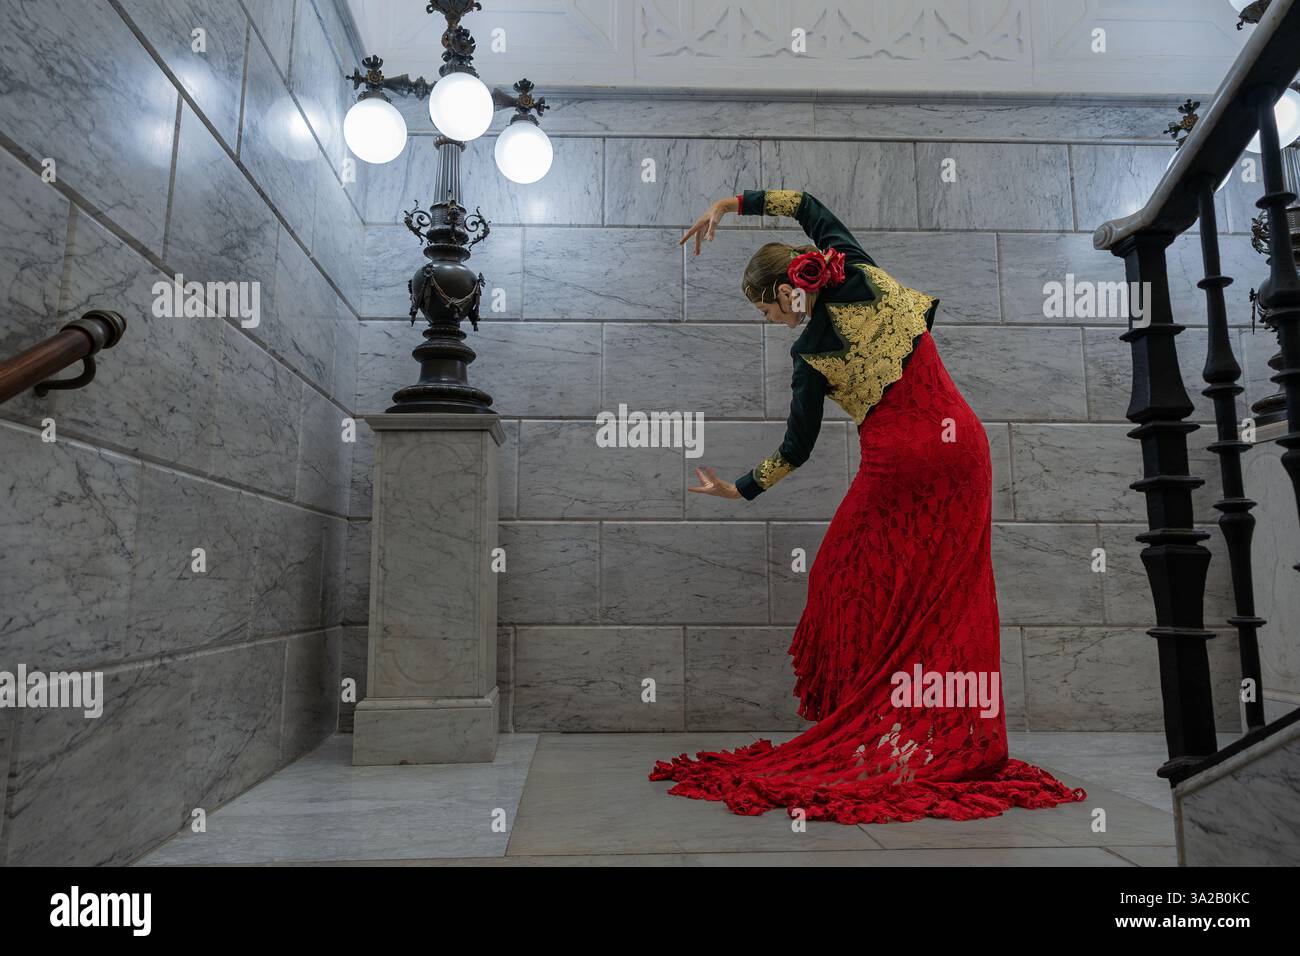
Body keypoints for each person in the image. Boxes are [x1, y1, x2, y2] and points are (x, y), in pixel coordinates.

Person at [648, 189, 1087, 824]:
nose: (769, 321)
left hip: (902, 465)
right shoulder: (853, 264)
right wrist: (731, 203)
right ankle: (927, 730)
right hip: (965, 449)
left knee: (842, 578)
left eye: (763, 309)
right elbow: (804, 201)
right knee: (948, 595)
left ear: (782, 291)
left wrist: (738, 487)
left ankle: (873, 720)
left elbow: (796, 450)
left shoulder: (808, 357)